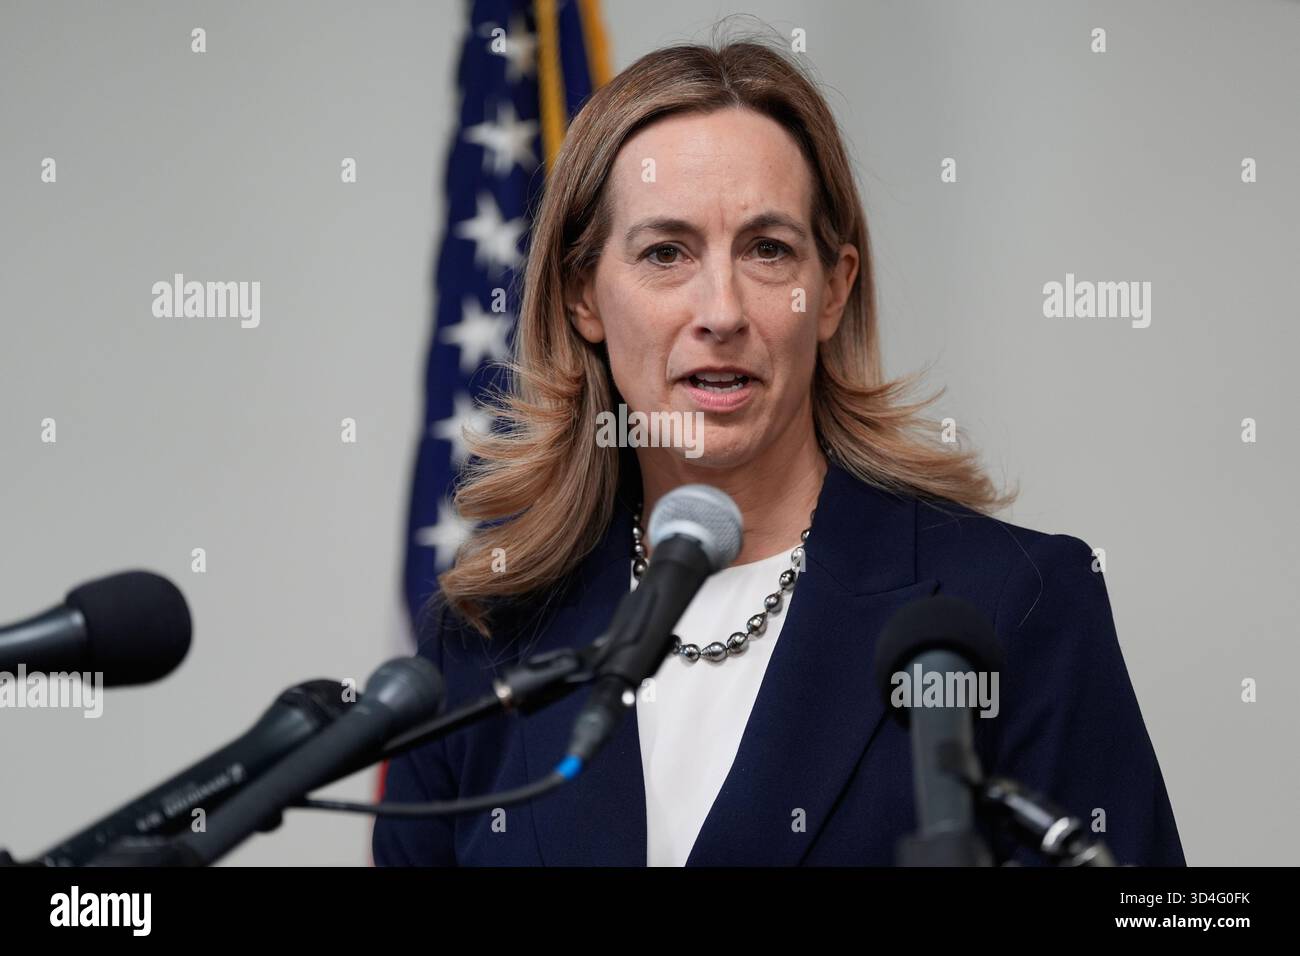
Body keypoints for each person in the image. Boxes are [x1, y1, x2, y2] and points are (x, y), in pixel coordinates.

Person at [372, 37, 1184, 867]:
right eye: (665, 253)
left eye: (768, 250)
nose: (721, 310)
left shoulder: (1014, 604)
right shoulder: (482, 638)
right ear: (583, 294)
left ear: (832, 289)